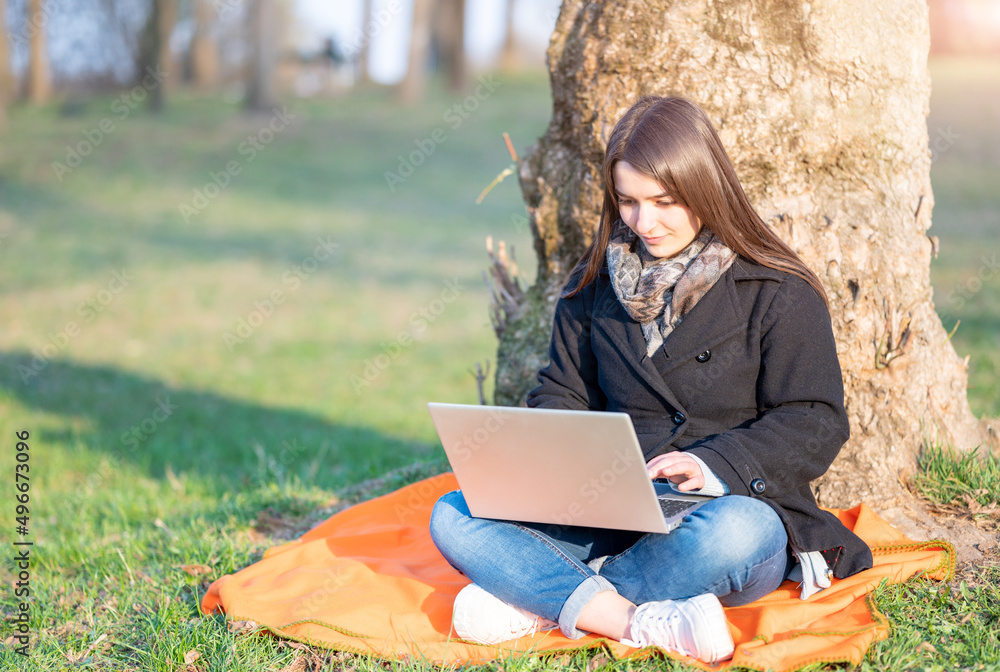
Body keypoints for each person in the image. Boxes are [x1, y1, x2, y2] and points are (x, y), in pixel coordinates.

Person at [428, 96, 873, 663]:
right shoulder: (590, 288)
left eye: (666, 201)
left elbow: (814, 419)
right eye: (629, 202)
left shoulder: (779, 291)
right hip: (609, 504)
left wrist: (713, 464)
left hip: (723, 506)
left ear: (706, 188)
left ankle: (541, 598)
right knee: (454, 512)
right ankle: (634, 619)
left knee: (739, 534)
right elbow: (563, 393)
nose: (645, 222)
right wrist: (547, 457)